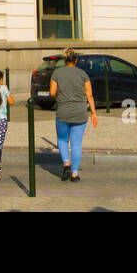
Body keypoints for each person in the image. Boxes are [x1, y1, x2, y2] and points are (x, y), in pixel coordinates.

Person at [48, 48, 97, 181]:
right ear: (76, 60)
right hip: (80, 113)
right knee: (76, 143)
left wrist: (60, 95)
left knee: (62, 140)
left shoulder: (57, 73)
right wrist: (93, 113)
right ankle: (75, 173)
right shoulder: (83, 74)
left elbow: (52, 93)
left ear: (65, 60)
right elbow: (90, 95)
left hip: (63, 112)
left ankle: (66, 164)